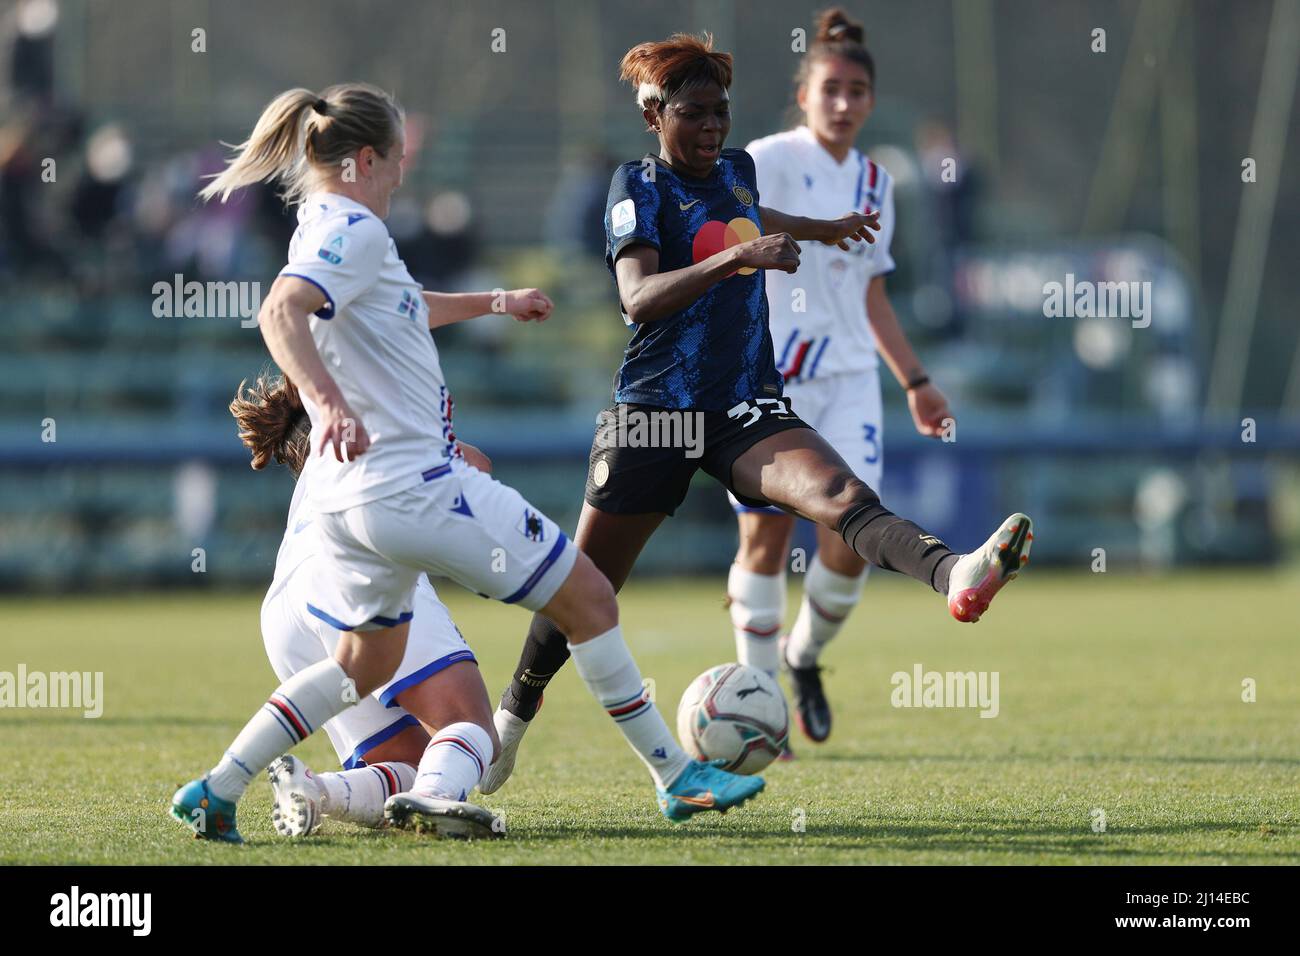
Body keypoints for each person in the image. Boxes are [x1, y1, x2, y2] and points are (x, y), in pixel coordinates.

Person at [168, 83, 764, 844]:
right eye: (398, 163)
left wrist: (495, 301)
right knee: (588, 596)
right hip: (413, 487)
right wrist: (327, 405)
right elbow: (279, 311)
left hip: (350, 509)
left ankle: (218, 786)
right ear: (365, 159)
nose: (401, 178)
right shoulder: (350, 224)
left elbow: (401, 305)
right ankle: (677, 779)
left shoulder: (326, 223)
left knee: (362, 664)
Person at [481, 35, 1033, 793]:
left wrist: (820, 228)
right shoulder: (634, 183)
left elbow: (744, 207)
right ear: (654, 115)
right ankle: (508, 723)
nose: (713, 129)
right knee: (585, 589)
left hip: (745, 404)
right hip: (656, 414)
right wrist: (737, 260)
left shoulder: (735, 170)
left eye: (722, 113)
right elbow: (636, 298)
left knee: (843, 500)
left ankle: (956, 575)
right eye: (694, 114)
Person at [725, 8, 959, 748]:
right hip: (770, 383)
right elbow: (725, 238)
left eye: (857, 90)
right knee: (763, 543)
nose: (843, 102)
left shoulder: (879, 181)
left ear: (870, 100)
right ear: (804, 95)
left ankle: (802, 658)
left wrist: (916, 380)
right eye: (830, 88)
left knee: (849, 544)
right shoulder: (764, 157)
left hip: (852, 379)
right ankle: (761, 704)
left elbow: (872, 294)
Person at [235, 370, 514, 836]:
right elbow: (478, 466)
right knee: (472, 725)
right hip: (355, 570)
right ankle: (436, 801)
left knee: (413, 760)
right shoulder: (364, 422)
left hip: (285, 608)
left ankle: (315, 790)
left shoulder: (319, 467)